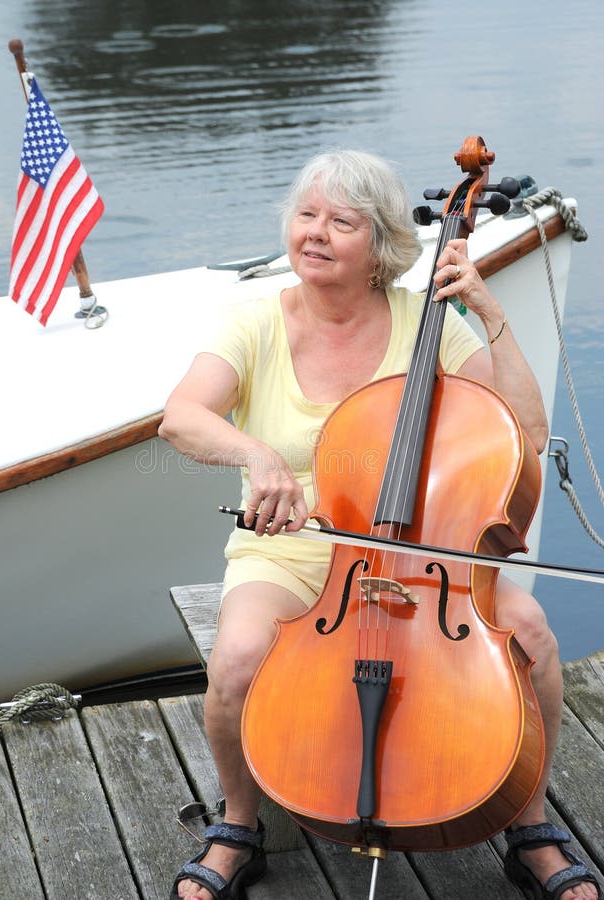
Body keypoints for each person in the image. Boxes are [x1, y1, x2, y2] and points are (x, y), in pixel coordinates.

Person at [159, 149, 602, 900]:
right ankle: (238, 824)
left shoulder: (428, 325)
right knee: (235, 660)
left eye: (341, 221)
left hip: (423, 555)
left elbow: (523, 434)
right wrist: (257, 456)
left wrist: (490, 314)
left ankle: (528, 826)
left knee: (531, 635)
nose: (315, 232)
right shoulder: (257, 321)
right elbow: (181, 417)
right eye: (306, 215)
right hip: (290, 550)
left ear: (382, 245)